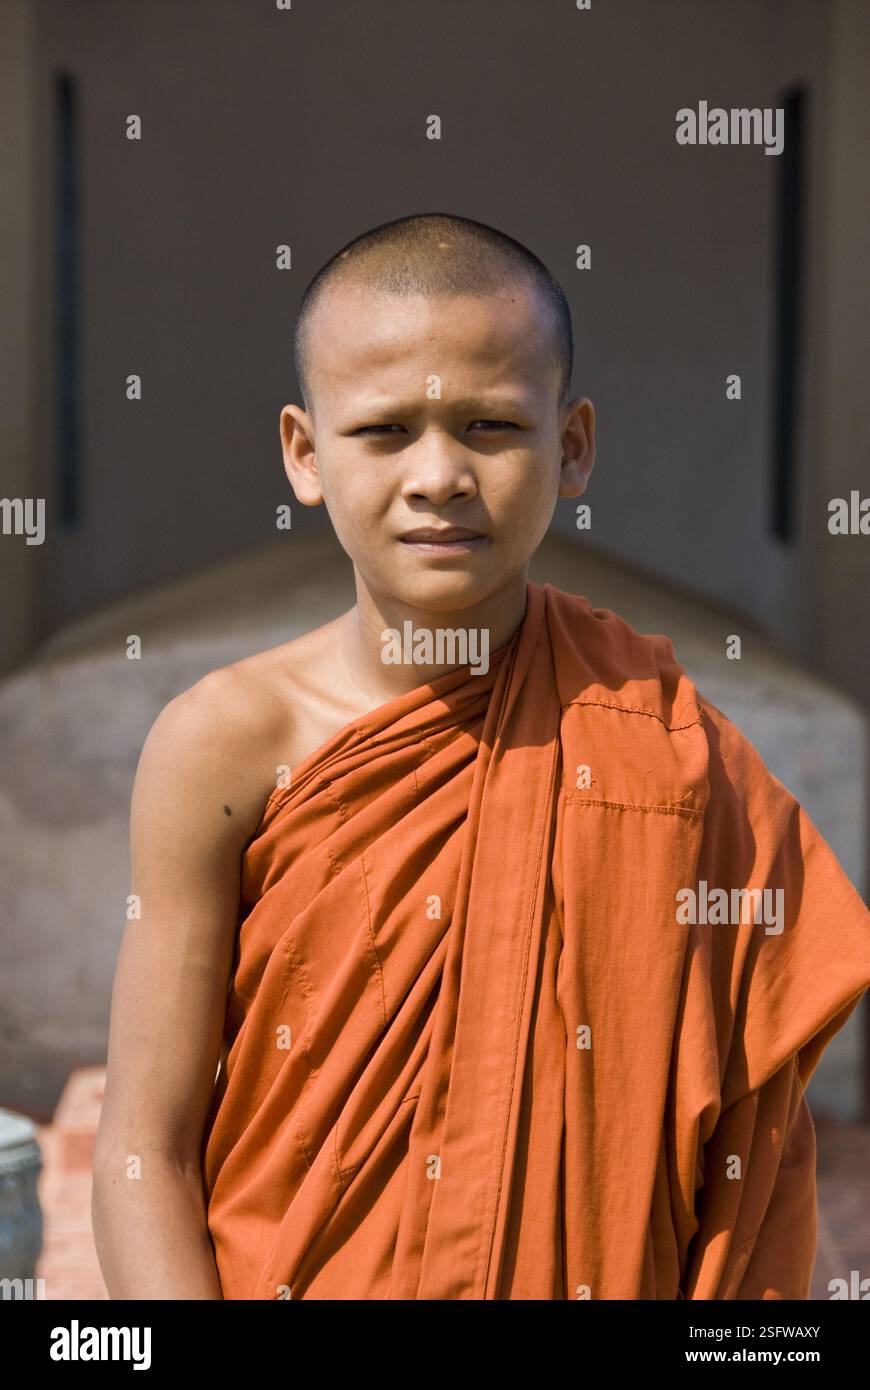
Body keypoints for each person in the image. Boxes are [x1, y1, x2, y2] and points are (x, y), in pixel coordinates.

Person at [92, 212, 870, 1300]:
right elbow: (146, 1148)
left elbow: (757, 1148)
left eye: (493, 426)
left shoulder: (672, 753)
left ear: (574, 446)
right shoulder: (224, 745)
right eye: (384, 431)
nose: (440, 474)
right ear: (304, 455)